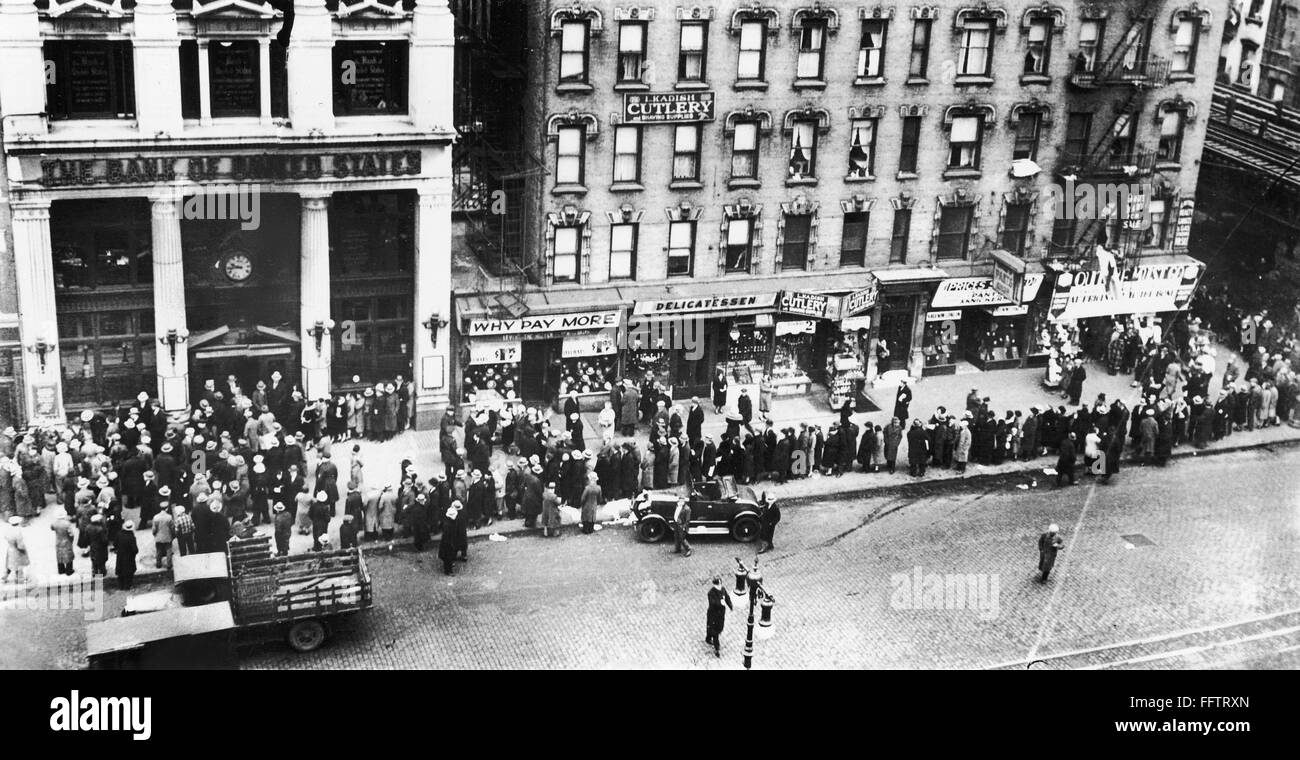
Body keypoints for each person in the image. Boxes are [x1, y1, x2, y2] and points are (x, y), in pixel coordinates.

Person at [705, 577, 734, 658]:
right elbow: (712, 603)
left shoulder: (723, 589)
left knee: (719, 627)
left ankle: (708, 638)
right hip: (713, 615)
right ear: (714, 584)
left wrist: (730, 605)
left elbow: (727, 597)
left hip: (721, 614)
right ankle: (717, 648)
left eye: (720, 584)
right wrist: (720, 603)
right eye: (718, 584)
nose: (720, 586)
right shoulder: (711, 593)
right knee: (715, 631)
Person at [3, 516, 29, 584]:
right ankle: (20, 579)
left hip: (10, 549)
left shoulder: (9, 530)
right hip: (17, 551)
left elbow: (5, 537)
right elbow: (20, 544)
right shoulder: (18, 531)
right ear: (18, 523)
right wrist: (23, 550)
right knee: (19, 565)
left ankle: (5, 577)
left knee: (10, 565)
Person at [115, 521, 139, 590]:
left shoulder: (119, 534)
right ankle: (127, 586)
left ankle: (120, 586)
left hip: (120, 556)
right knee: (129, 572)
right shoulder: (131, 537)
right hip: (129, 557)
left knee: (120, 571)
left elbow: (115, 544)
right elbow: (135, 549)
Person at [438, 505, 462, 575]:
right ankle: (448, 571)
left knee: (448, 557)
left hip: (448, 542)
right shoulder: (448, 525)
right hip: (448, 543)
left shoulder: (448, 521)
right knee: (448, 557)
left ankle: (448, 568)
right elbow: (448, 536)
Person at [151, 505, 174, 570]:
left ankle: (158, 564)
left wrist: (154, 534)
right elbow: (172, 528)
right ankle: (169, 565)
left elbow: (154, 529)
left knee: (158, 551)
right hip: (167, 537)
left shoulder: (155, 517)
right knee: (169, 551)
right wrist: (173, 535)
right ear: (166, 509)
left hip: (158, 537)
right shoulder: (169, 517)